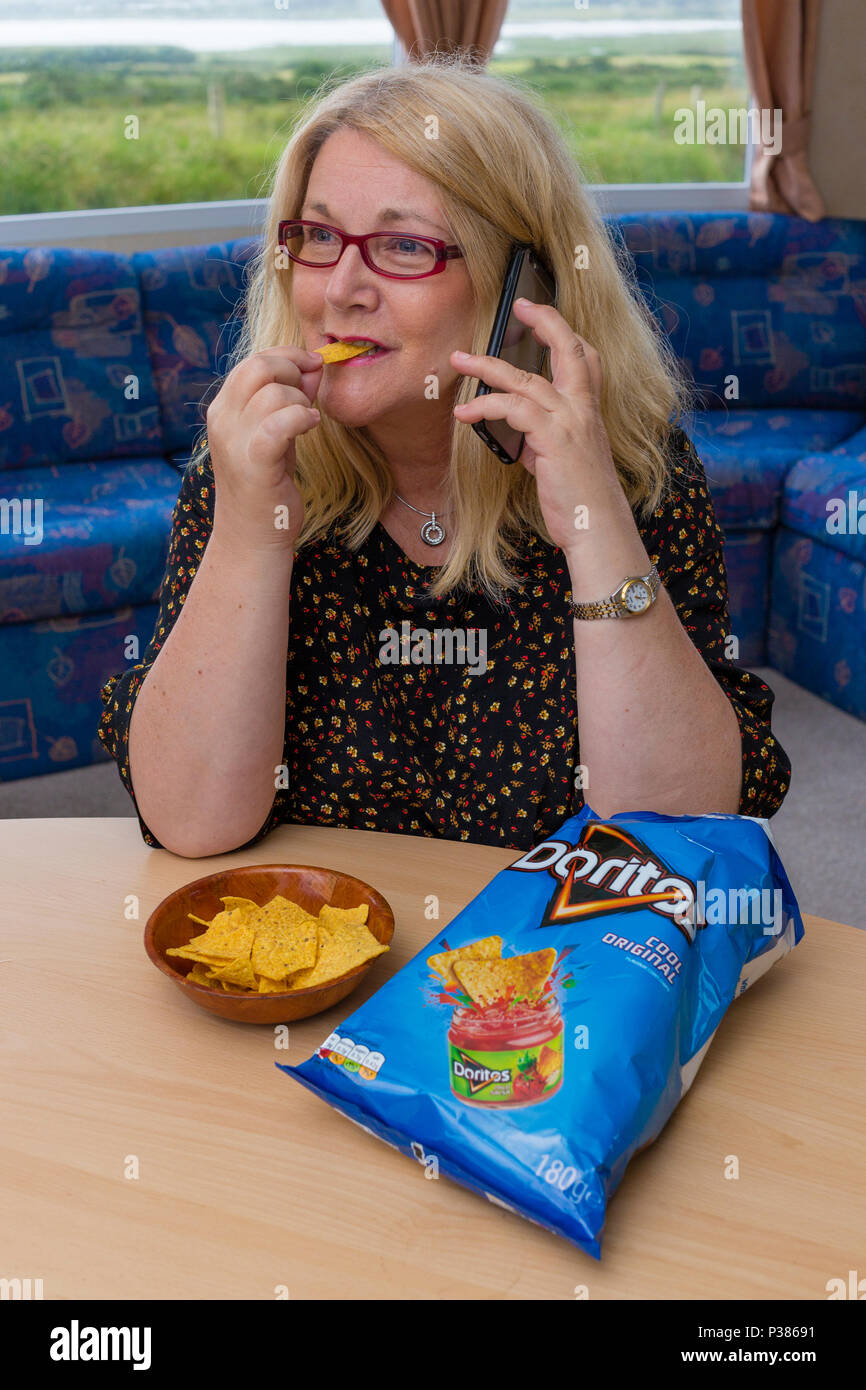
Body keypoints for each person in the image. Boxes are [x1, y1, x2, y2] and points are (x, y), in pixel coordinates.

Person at [97, 55, 790, 858]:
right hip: (327, 963)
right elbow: (190, 821)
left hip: (547, 970)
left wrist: (596, 527)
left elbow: (675, 834)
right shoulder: (252, 466)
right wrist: (253, 530)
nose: (339, 291)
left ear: (520, 286)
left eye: (401, 246)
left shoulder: (630, 470)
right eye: (319, 237)